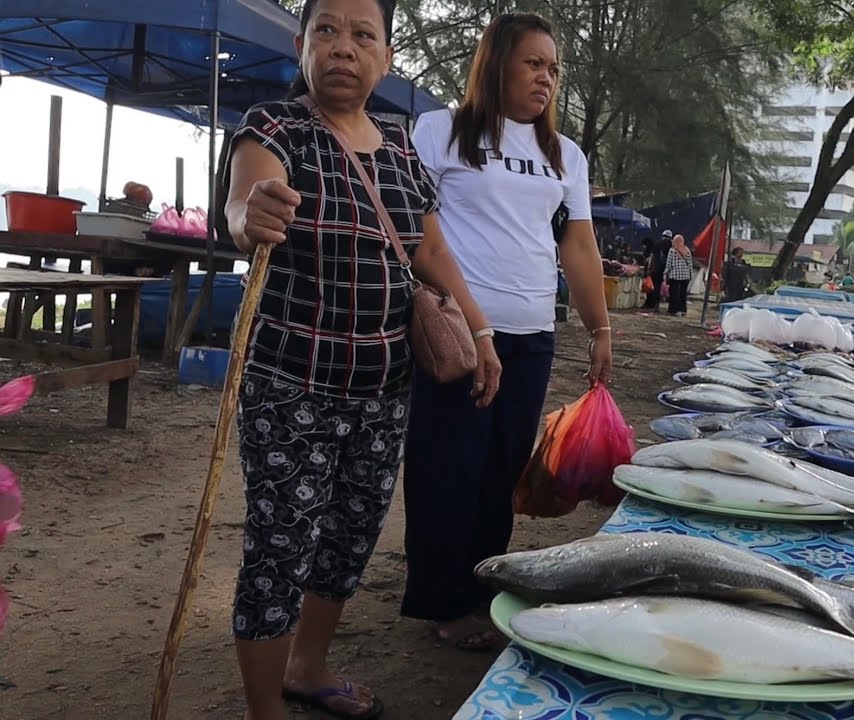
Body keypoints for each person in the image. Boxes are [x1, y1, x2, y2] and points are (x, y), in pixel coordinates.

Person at [217, 0, 499, 718]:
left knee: (348, 534)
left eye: (362, 35)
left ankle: (307, 668)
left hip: (383, 387)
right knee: (281, 545)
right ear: (302, 43)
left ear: (387, 55)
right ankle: (264, 708)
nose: (343, 48)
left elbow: (429, 251)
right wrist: (252, 215)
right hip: (291, 384)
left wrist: (481, 330)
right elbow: (243, 201)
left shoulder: (402, 146)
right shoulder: (275, 128)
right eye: (327, 32)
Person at [401, 12, 612, 651]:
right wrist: (469, 318)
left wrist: (599, 324)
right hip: (459, 334)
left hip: (530, 333)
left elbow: (578, 246)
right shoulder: (440, 131)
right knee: (448, 465)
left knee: (501, 469)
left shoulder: (563, 155)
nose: (546, 77)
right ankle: (444, 601)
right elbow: (417, 228)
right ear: (496, 64)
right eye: (533, 63)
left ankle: (482, 583)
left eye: (553, 67)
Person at [664, 233, 694, 316]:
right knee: (683, 294)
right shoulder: (687, 250)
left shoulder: (672, 250)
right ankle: (683, 310)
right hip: (686, 276)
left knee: (674, 294)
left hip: (674, 276)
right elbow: (690, 264)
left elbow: (669, 264)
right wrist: (691, 275)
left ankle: (674, 310)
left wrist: (665, 273)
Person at [643, 229, 671, 309]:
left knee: (655, 287)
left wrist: (649, 269)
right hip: (667, 271)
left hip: (656, 270)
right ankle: (670, 306)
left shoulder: (658, 244)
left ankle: (654, 304)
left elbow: (652, 257)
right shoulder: (672, 246)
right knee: (668, 288)